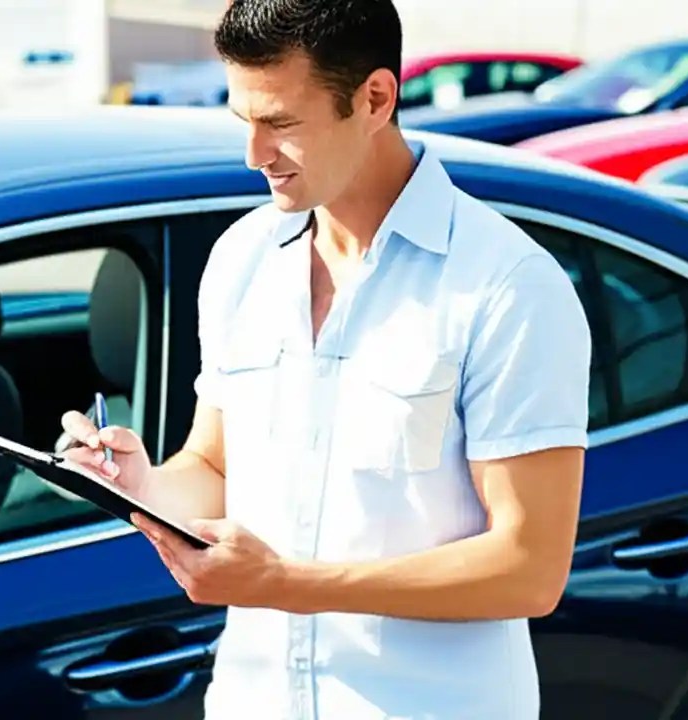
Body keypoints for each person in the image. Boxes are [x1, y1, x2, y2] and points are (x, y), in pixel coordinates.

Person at [61, 0, 591, 717]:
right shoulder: (240, 260)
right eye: (243, 122)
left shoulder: (505, 285)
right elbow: (215, 467)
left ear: (375, 98)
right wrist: (140, 485)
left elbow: (529, 570)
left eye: (280, 123)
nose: (254, 155)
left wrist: (287, 583)